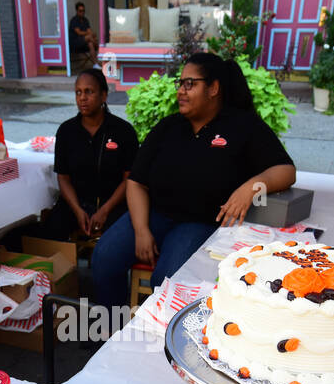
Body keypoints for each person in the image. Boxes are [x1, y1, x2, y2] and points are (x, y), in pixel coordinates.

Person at [91, 52, 296, 307]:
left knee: (166, 280)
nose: (181, 91)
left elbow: (286, 170)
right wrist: (142, 230)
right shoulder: (169, 127)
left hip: (201, 222)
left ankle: (160, 338)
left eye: (191, 84)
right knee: (103, 257)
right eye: (181, 83)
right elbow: (136, 181)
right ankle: (110, 333)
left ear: (214, 88)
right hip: (154, 214)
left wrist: (249, 188)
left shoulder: (243, 126)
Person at [48, 69, 138, 238]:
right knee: (52, 229)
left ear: (104, 96)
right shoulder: (66, 131)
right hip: (76, 204)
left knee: (119, 237)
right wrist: (77, 210)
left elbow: (130, 178)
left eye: (89, 91)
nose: (82, 97)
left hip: (114, 204)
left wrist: (104, 210)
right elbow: (63, 177)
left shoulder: (123, 131)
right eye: (78, 92)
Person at [68, 2, 98, 69]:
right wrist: (90, 34)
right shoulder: (74, 20)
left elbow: (89, 31)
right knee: (89, 37)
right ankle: (99, 47)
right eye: (80, 11)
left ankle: (96, 64)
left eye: (83, 11)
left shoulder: (85, 20)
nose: (82, 12)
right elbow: (79, 32)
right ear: (77, 11)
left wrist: (92, 34)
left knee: (90, 43)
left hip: (84, 42)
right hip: (75, 43)